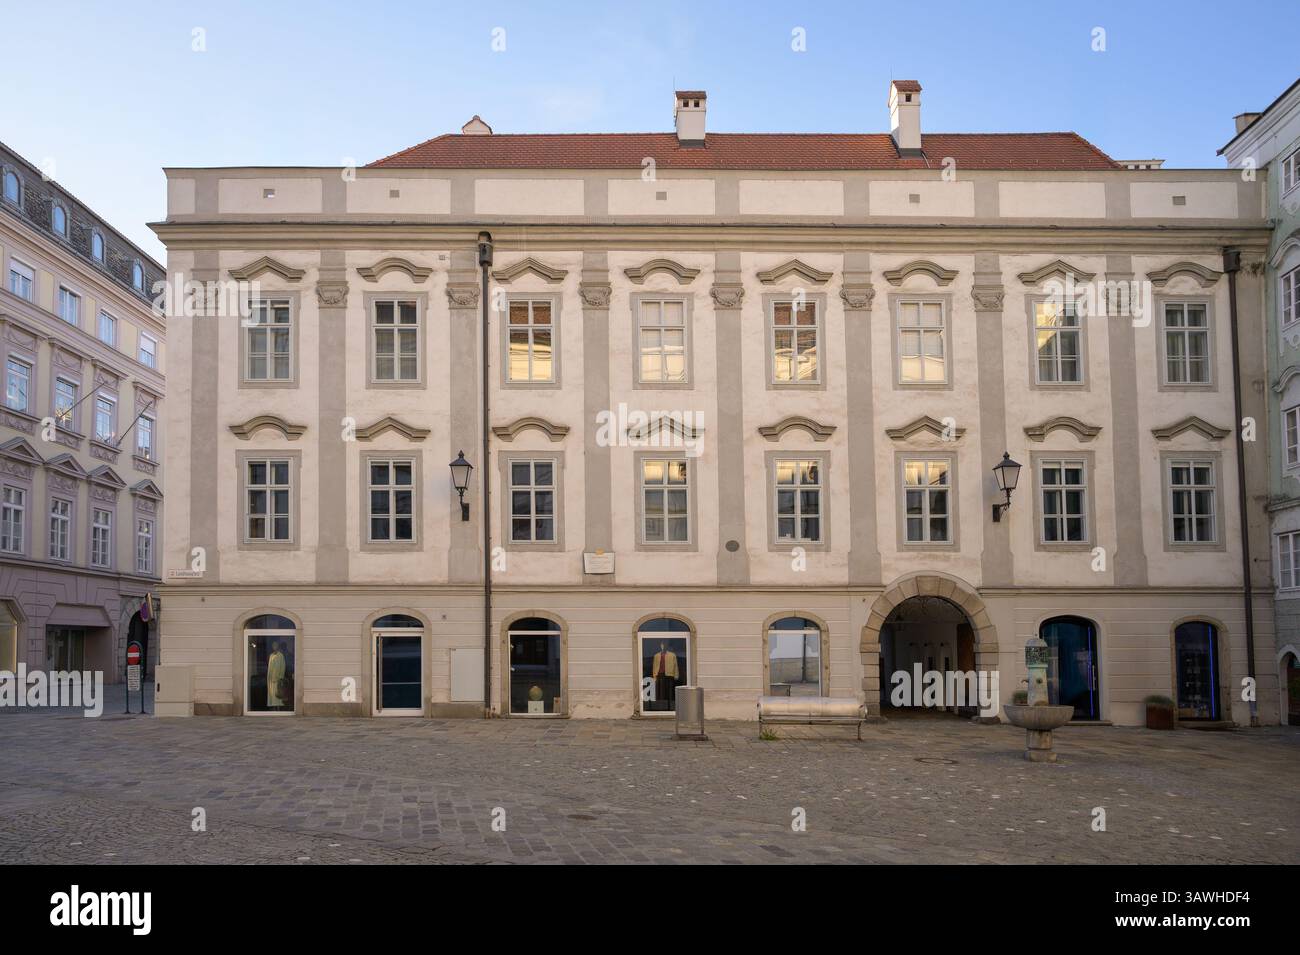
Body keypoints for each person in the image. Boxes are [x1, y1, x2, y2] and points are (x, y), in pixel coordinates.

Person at [267, 642, 287, 709]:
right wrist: (269, 677)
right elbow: (269, 667)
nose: (274, 647)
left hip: (278, 678)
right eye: (273, 645)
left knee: (278, 694)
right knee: (272, 694)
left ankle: (279, 709)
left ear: (278, 646)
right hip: (271, 678)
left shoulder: (281, 655)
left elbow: (283, 666)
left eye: (275, 645)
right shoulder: (271, 655)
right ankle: (273, 708)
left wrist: (281, 677)